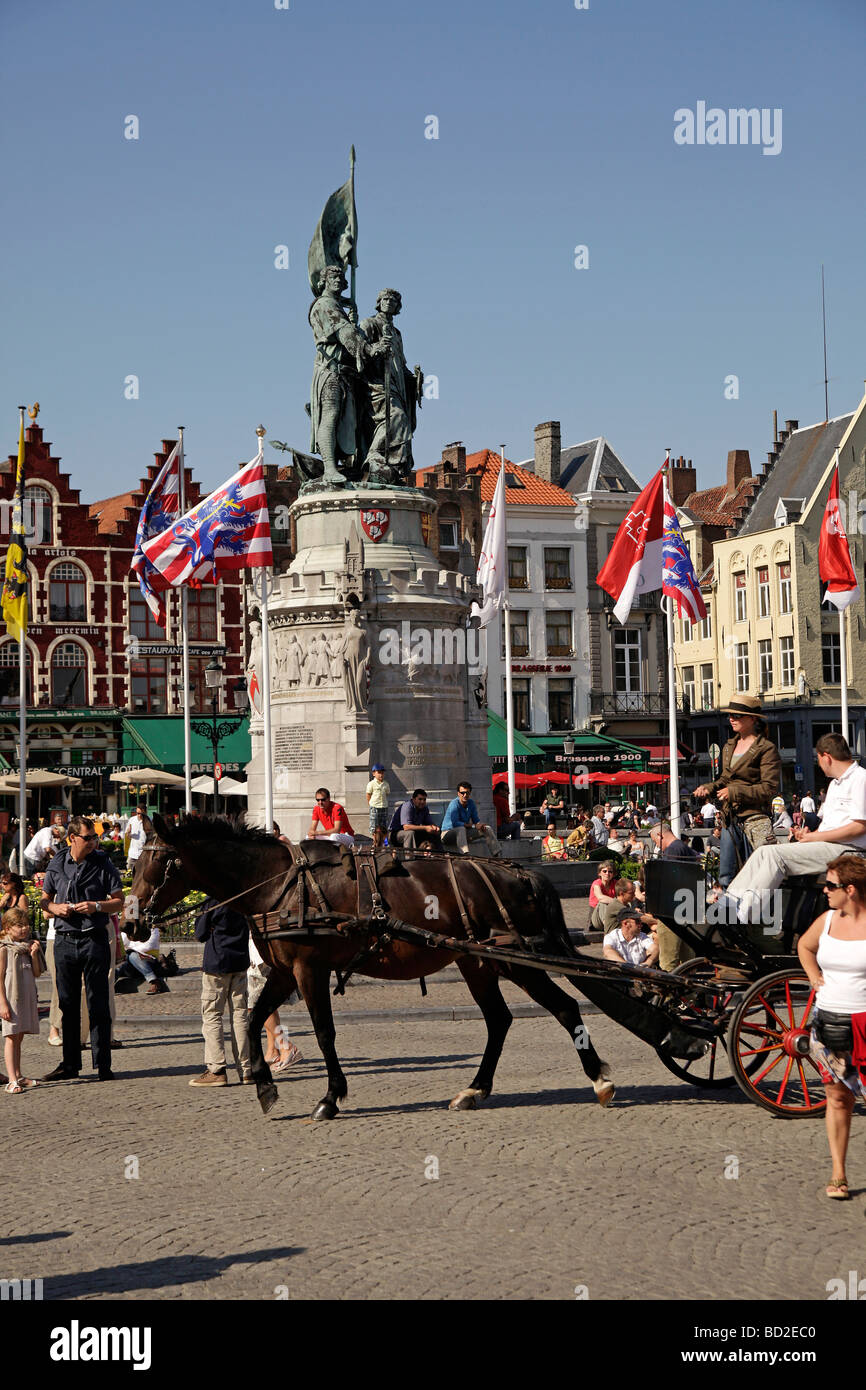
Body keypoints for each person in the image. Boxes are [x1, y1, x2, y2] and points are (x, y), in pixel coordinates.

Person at [718, 735, 866, 926]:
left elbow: (859, 826)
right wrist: (806, 834)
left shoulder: (860, 779)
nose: (819, 765)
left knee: (774, 857)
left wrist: (815, 836)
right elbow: (832, 825)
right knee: (763, 851)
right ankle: (726, 904)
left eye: (818, 760)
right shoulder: (835, 784)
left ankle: (744, 915)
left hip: (849, 851)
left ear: (826, 757)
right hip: (830, 846)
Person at [798, 855, 866, 1200]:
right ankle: (839, 1173)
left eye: (831, 885)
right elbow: (805, 947)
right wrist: (814, 977)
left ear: (850, 890)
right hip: (829, 1022)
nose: (824, 890)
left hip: (865, 1023)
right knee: (838, 1099)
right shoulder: (826, 920)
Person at [40, 816, 124, 1083]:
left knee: (98, 1003)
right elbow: (45, 900)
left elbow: (119, 901)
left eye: (94, 838)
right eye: (87, 838)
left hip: (94, 938)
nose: (93, 842)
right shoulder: (57, 863)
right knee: (67, 1004)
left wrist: (96, 906)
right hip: (65, 939)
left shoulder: (103, 862)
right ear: (72, 838)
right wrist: (55, 909)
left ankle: (103, 1065)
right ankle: (70, 1064)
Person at [693, 697, 780, 890]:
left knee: (755, 873)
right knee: (725, 874)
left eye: (737, 716)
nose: (731, 719)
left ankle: (754, 916)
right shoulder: (729, 746)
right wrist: (709, 787)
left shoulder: (766, 748)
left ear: (752, 719)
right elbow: (725, 779)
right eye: (730, 715)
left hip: (754, 818)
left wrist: (734, 792)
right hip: (730, 818)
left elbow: (769, 788)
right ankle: (729, 916)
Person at [190, 897, 252, 1087]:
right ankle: (246, 1069)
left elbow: (200, 934)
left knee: (212, 1015)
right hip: (240, 961)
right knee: (240, 1015)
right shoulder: (242, 898)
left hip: (217, 963)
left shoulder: (213, 902)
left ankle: (217, 1069)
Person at [0, 907, 44, 1093]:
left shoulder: (27, 948)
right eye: (19, 926)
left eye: (26, 925)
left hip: (25, 997)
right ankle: (11, 1080)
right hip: (10, 998)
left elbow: (37, 972)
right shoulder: (4, 949)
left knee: (19, 1037)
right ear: (8, 928)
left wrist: (34, 955)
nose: (24, 929)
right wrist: (2, 1003)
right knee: (11, 1037)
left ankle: (18, 1074)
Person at [441, 782, 500, 857]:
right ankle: (465, 855)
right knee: (461, 829)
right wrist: (473, 826)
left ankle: (497, 855)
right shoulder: (454, 804)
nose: (465, 795)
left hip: (463, 834)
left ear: (470, 793)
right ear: (458, 794)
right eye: (463, 793)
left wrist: (480, 825)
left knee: (487, 828)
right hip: (447, 834)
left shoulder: (471, 803)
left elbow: (476, 820)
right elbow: (455, 823)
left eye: (467, 793)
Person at [120, 921, 168, 995]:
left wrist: (130, 949)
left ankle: (154, 982)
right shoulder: (131, 927)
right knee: (121, 959)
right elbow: (122, 943)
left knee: (132, 955)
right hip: (132, 968)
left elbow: (148, 946)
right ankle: (105, 985)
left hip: (149, 962)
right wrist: (125, 931)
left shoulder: (152, 929)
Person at [365, 763, 391, 839]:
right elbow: (368, 794)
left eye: (382, 772)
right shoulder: (371, 784)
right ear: (373, 773)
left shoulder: (386, 784)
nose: (381, 775)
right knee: (374, 825)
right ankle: (375, 841)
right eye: (378, 772)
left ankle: (384, 841)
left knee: (383, 825)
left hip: (384, 806)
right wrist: (370, 804)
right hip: (374, 807)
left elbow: (387, 793)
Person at [126, 805, 149, 873]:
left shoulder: (150, 821)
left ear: (145, 812)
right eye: (137, 813)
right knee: (129, 874)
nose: (139, 815)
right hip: (133, 853)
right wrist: (128, 833)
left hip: (145, 854)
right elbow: (128, 836)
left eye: (141, 813)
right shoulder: (132, 820)